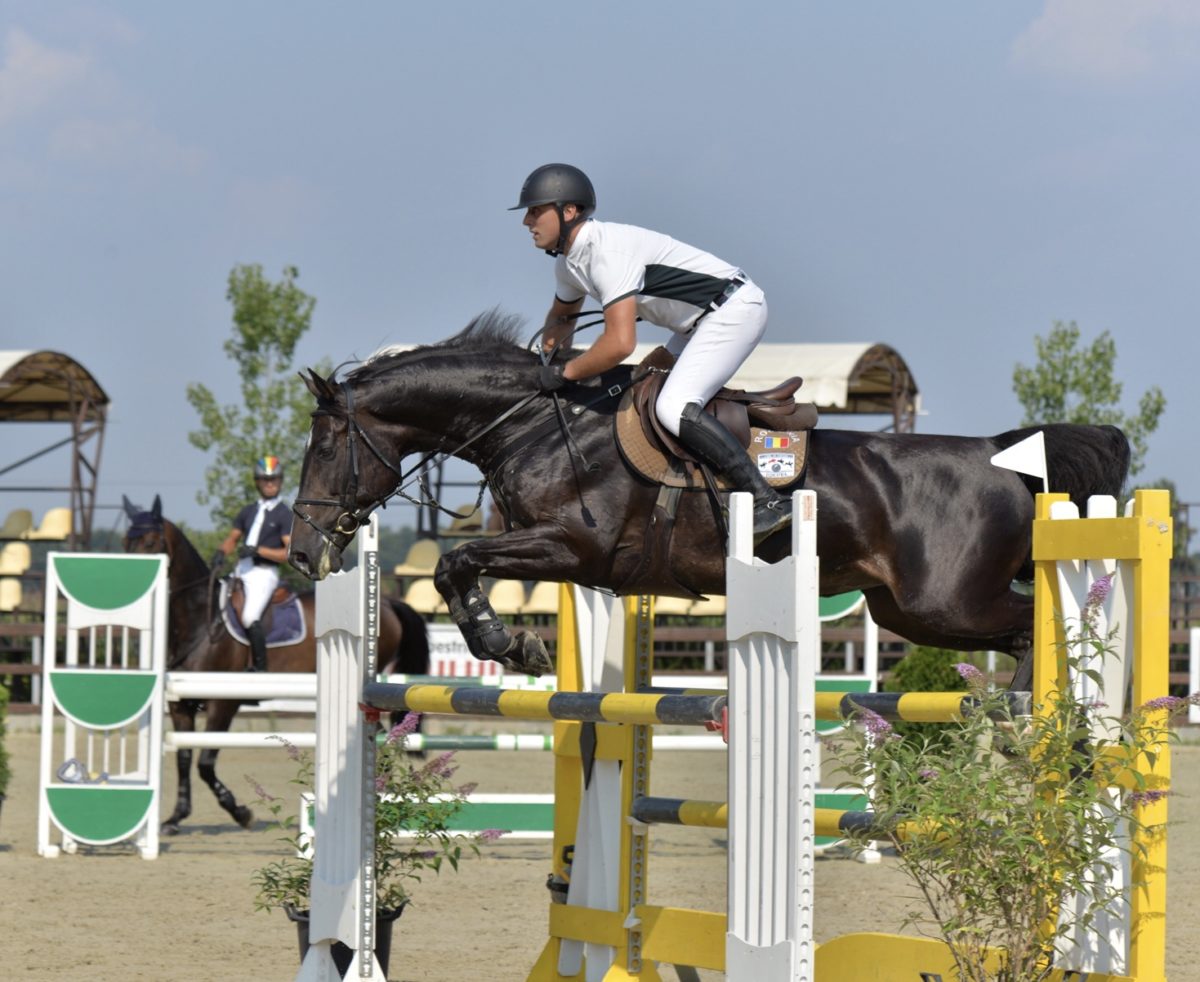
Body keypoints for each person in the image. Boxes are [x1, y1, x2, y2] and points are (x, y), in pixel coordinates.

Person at [513, 162, 790, 540]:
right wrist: (541, 362)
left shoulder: (607, 253)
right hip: (696, 324)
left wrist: (565, 374)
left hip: (733, 309)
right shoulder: (569, 264)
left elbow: (619, 342)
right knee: (641, 390)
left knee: (672, 406)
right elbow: (561, 319)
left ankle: (765, 499)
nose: (528, 221)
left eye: (535, 210)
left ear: (568, 211)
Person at [212, 455, 291, 672]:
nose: (270, 483)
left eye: (274, 479)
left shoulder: (284, 514)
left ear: (280, 481)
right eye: (265, 480)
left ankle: (260, 668)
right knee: (215, 601)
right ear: (257, 482)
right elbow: (232, 538)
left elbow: (288, 552)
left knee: (249, 616)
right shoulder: (248, 511)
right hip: (241, 569)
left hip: (264, 573)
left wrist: (259, 550)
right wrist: (220, 552)